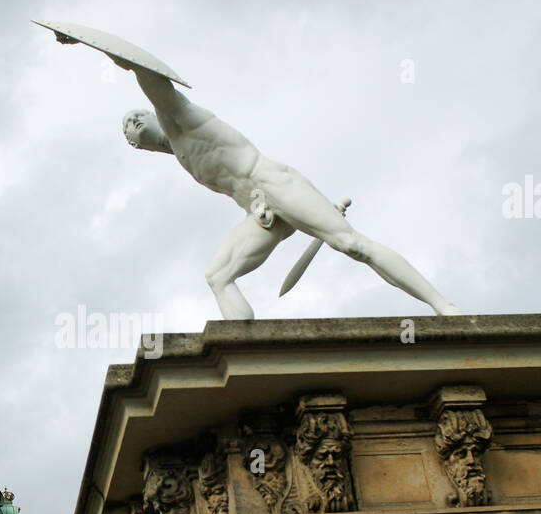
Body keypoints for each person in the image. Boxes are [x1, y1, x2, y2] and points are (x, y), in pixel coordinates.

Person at [116, 61, 460, 322]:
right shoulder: (182, 155)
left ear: (149, 113)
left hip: (272, 181)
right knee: (218, 277)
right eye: (129, 135)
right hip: (258, 211)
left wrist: (127, 63)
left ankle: (443, 306)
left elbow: (155, 81)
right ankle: (244, 352)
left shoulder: (181, 117)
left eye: (134, 119)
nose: (131, 130)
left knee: (352, 244)